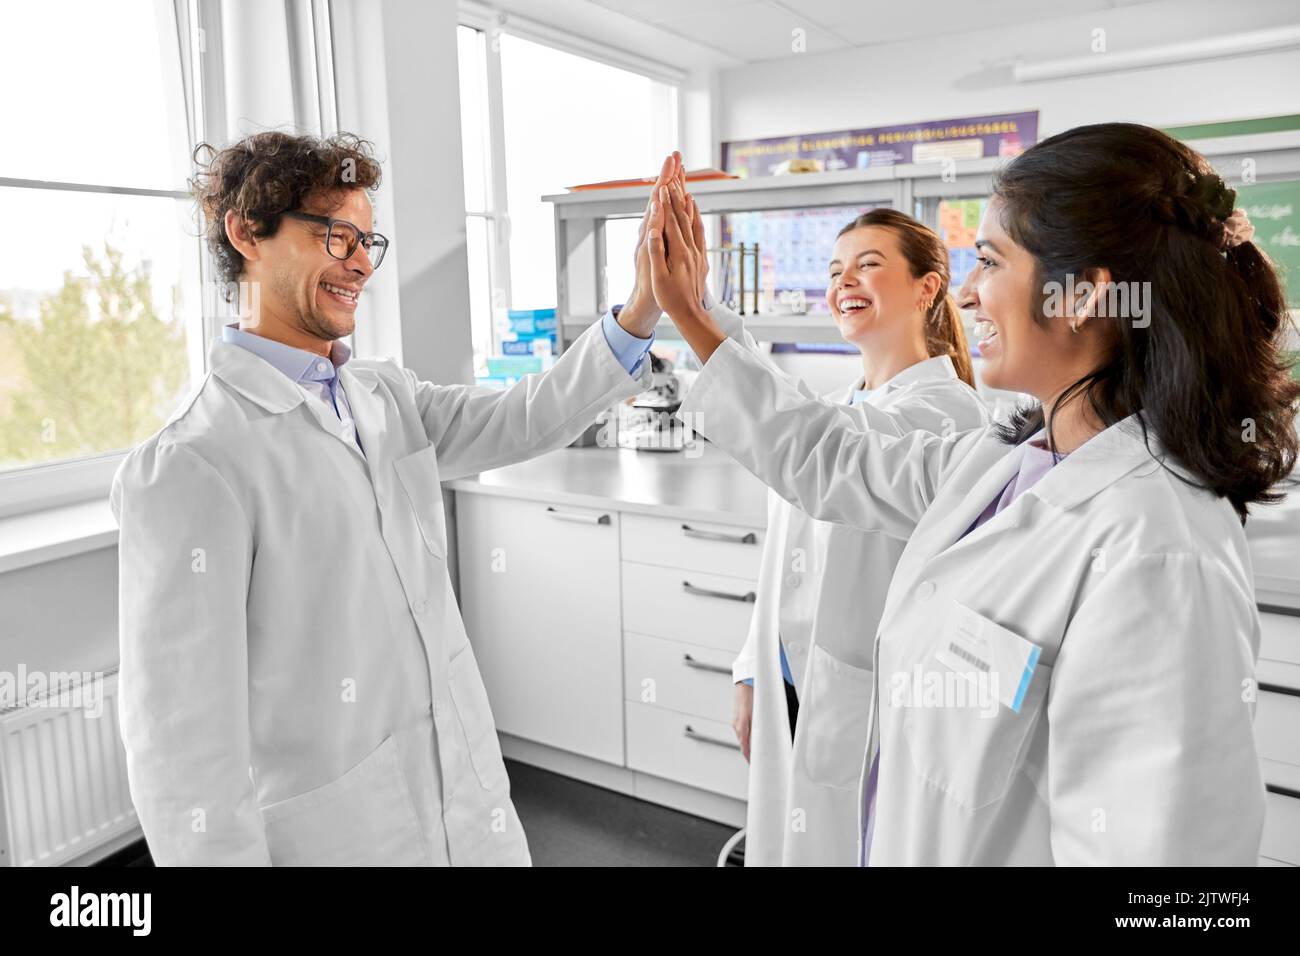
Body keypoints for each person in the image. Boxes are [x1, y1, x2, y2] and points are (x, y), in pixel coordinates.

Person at [647, 123, 1298, 864]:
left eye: (989, 261)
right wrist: (692, 314)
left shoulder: (1158, 550)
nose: (966, 292)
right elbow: (828, 457)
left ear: (1083, 297)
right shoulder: (999, 461)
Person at [112, 132, 680, 865]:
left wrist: (639, 309)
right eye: (335, 235)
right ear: (247, 231)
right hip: (341, 833)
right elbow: (181, 746)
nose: (359, 262)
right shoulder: (192, 461)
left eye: (366, 240)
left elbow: (521, 418)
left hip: (469, 804)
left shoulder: (383, 394)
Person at [717, 206, 989, 865]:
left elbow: (831, 454)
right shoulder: (834, 410)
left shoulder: (947, 413)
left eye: (869, 265)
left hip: (871, 692)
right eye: (835, 270)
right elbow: (779, 564)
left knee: (852, 844)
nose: (846, 282)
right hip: (793, 678)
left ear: (928, 288)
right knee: (793, 840)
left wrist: (705, 325)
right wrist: (752, 670)